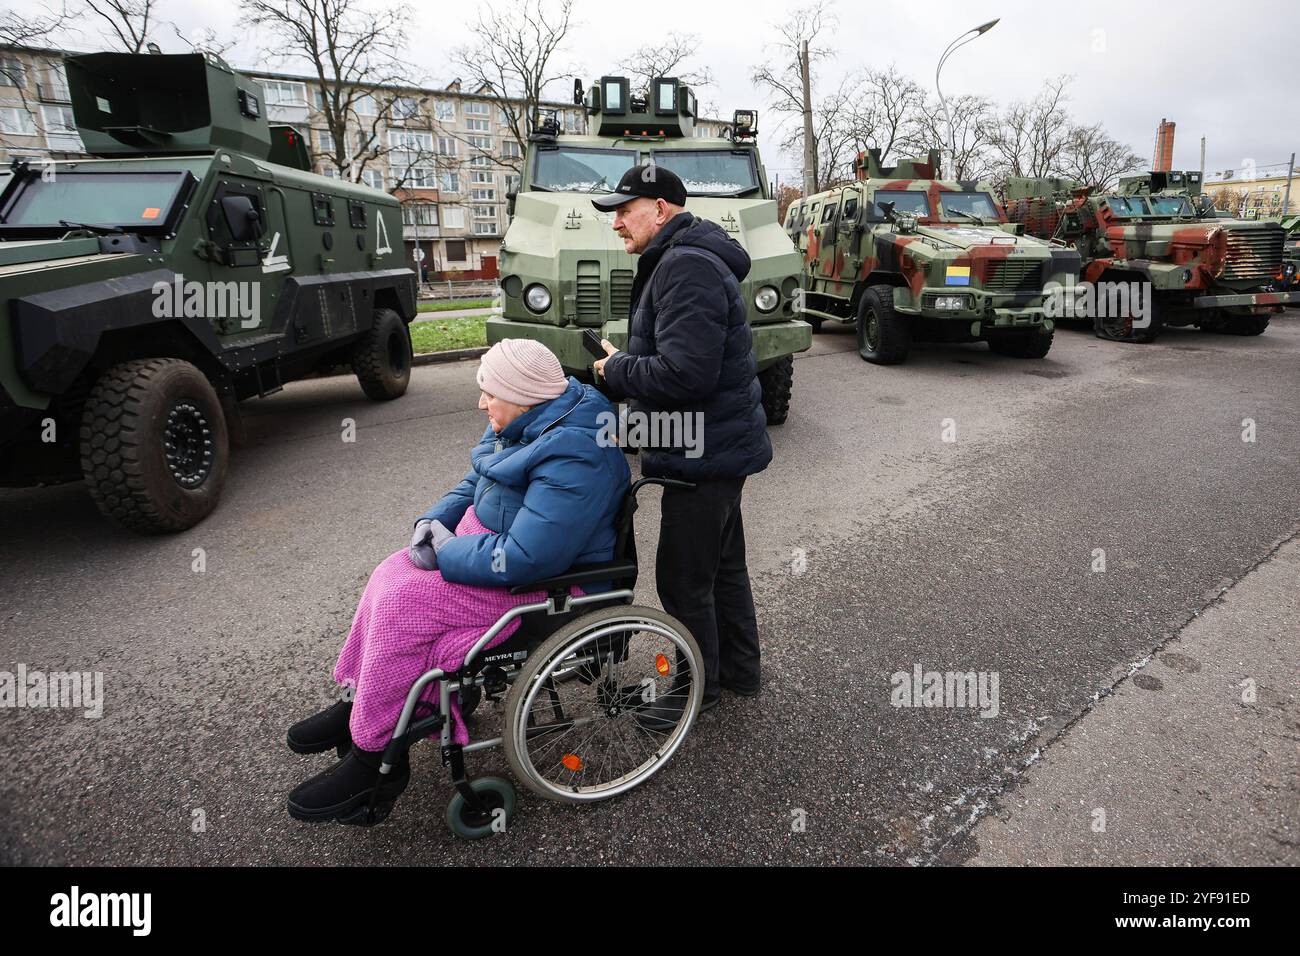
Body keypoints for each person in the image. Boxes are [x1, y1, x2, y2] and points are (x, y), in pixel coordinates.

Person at [286, 339, 631, 825]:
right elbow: (477, 481)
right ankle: (361, 699)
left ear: (524, 394)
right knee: (388, 573)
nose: (480, 402)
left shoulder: (576, 456)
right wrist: (432, 522)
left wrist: (447, 551)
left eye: (489, 392)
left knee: (404, 607)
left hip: (543, 584)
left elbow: (529, 556)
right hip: (492, 556)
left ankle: (375, 758)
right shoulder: (530, 420)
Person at [591, 164, 771, 712]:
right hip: (714, 446)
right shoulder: (682, 259)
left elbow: (686, 375)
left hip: (704, 452)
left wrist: (616, 370)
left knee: (683, 580)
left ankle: (697, 690)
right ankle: (739, 672)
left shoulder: (684, 266)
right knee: (722, 569)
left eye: (625, 211)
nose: (617, 223)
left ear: (661, 209)